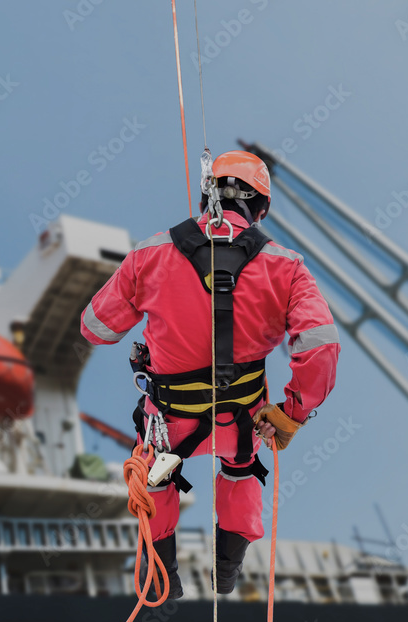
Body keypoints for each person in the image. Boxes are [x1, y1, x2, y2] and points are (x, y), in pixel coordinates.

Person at [80, 150, 339, 597]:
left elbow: (96, 330)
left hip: (169, 421)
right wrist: (294, 411)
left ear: (206, 196)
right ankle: (228, 571)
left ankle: (161, 577)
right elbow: (321, 345)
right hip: (242, 421)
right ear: (261, 209)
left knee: (155, 474)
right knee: (240, 470)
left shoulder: (149, 253)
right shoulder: (287, 266)